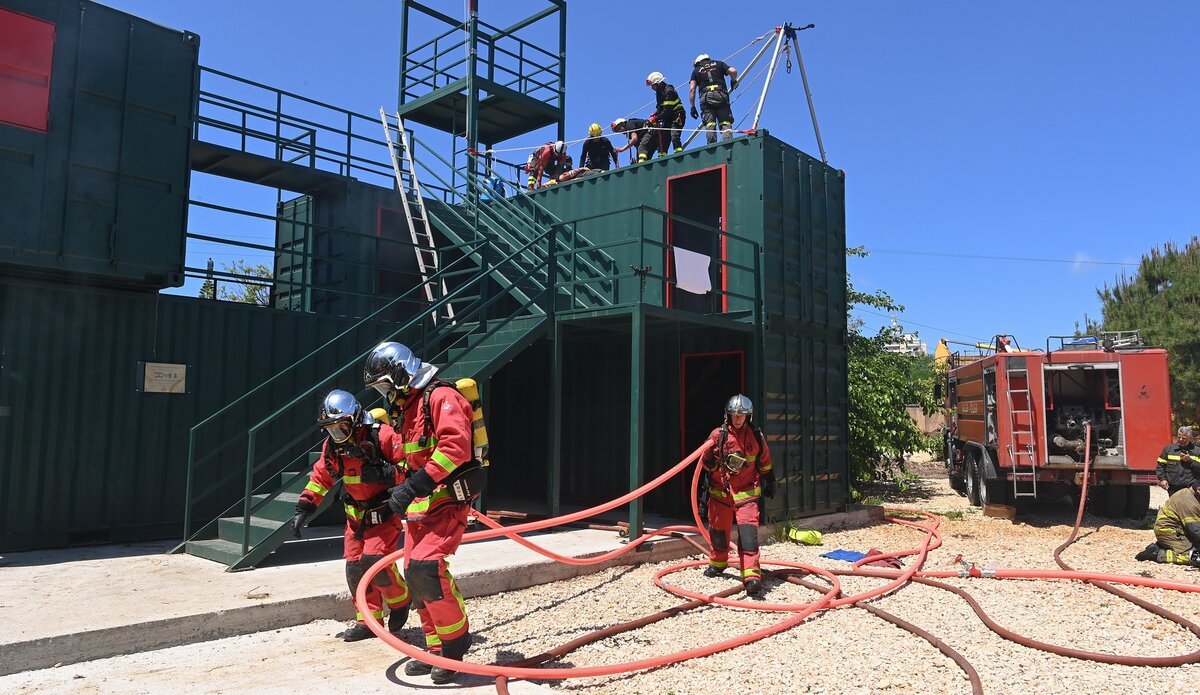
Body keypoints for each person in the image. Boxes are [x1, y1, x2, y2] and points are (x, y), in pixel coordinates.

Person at [363, 342, 477, 684]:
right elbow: (407, 457)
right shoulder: (408, 408)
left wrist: (412, 488)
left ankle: (455, 644)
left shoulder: (441, 397)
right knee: (413, 574)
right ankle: (433, 646)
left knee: (427, 570)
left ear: (401, 375)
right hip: (419, 508)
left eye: (386, 385)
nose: (385, 394)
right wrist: (391, 482)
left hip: (444, 502)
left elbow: (455, 447)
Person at [289, 390, 411, 642]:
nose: (337, 435)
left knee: (375, 563)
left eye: (341, 428)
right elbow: (320, 478)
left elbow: (412, 468)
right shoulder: (333, 448)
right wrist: (304, 507)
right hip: (355, 518)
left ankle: (400, 599)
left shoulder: (382, 436)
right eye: (331, 430)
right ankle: (367, 622)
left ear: (355, 420)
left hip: (382, 514)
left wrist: (386, 474)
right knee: (354, 568)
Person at [697, 394, 774, 596]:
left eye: (742, 416)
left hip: (746, 495)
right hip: (720, 494)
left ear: (748, 417)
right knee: (718, 532)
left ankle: (751, 577)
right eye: (734, 415)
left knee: (748, 536)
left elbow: (764, 460)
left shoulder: (756, 436)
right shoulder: (717, 435)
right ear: (727, 415)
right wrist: (709, 460)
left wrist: (769, 479)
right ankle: (718, 563)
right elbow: (704, 462)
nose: (738, 419)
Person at [1134, 479, 1200, 567]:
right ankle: (1157, 554)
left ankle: (1162, 546)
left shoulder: (1194, 496)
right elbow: (1195, 530)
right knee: (1194, 557)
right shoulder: (1188, 501)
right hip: (1169, 531)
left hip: (1179, 530)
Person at [689, 53, 738, 143]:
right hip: (721, 95)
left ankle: (712, 148)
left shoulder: (696, 71)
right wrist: (733, 81)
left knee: (710, 124)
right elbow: (733, 71)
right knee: (725, 122)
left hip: (706, 97)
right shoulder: (719, 64)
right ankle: (727, 145)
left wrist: (692, 107)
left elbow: (692, 89)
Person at [646, 71, 686, 155]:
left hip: (677, 115)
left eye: (652, 85)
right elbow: (660, 107)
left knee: (674, 136)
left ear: (658, 83)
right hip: (668, 117)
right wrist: (656, 113)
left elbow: (667, 110)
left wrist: (655, 119)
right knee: (663, 140)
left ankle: (678, 155)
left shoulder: (669, 91)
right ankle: (662, 158)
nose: (652, 87)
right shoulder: (659, 92)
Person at [1156, 426, 1198, 495]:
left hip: (1191, 489)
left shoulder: (1197, 451)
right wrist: (1162, 479)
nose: (1180, 440)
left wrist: (1190, 461)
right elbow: (1160, 465)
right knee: (1174, 505)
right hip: (1173, 488)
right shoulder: (1168, 449)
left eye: (1184, 438)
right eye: (1179, 437)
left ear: (1189, 438)